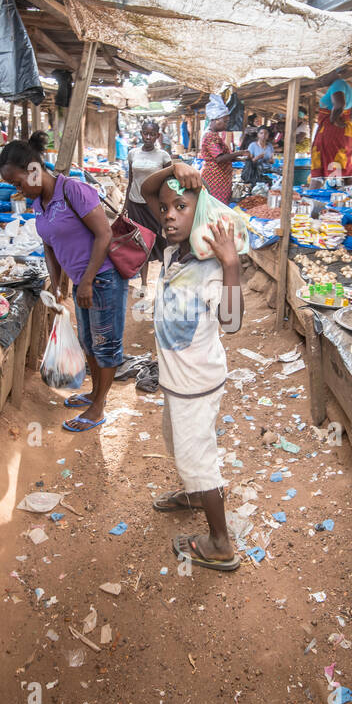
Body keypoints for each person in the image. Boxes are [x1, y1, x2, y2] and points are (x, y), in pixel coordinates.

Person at [138, 160, 245, 571]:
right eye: (166, 208)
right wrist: (173, 166)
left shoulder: (212, 269)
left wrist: (232, 263)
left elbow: (232, 324)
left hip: (196, 385)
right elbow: (148, 191)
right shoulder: (173, 250)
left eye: (180, 207)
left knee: (197, 458)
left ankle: (220, 542)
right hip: (176, 381)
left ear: (200, 214)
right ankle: (194, 493)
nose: (168, 214)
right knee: (177, 443)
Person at [0, 132, 124, 433]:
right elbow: (49, 244)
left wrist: (87, 281)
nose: (18, 190)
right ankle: (95, 393)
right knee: (90, 343)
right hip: (83, 281)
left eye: (18, 183)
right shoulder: (39, 204)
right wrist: (57, 284)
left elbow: (104, 234)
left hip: (102, 279)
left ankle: (98, 407)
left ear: (33, 170)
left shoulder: (73, 190)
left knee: (105, 344)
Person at [124, 120, 173, 296]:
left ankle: (163, 283)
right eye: (146, 133)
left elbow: (169, 184)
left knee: (159, 242)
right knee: (140, 246)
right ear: (141, 133)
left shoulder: (164, 157)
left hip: (154, 207)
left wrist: (168, 208)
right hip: (135, 204)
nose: (148, 137)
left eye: (152, 134)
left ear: (158, 135)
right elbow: (130, 181)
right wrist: (125, 206)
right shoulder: (132, 154)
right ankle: (144, 284)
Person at [199, 95, 248, 203]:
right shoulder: (210, 136)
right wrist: (239, 153)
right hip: (215, 179)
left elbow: (224, 156)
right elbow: (219, 158)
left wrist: (241, 159)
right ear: (216, 120)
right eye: (225, 121)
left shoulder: (214, 135)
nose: (227, 124)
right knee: (216, 207)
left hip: (220, 178)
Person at [311, 78, 352, 183]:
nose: (321, 78)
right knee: (342, 162)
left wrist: (332, 120)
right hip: (343, 133)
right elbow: (350, 112)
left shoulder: (337, 83)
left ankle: (317, 193)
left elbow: (339, 104)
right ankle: (347, 194)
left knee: (324, 161)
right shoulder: (346, 86)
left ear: (332, 72)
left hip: (331, 132)